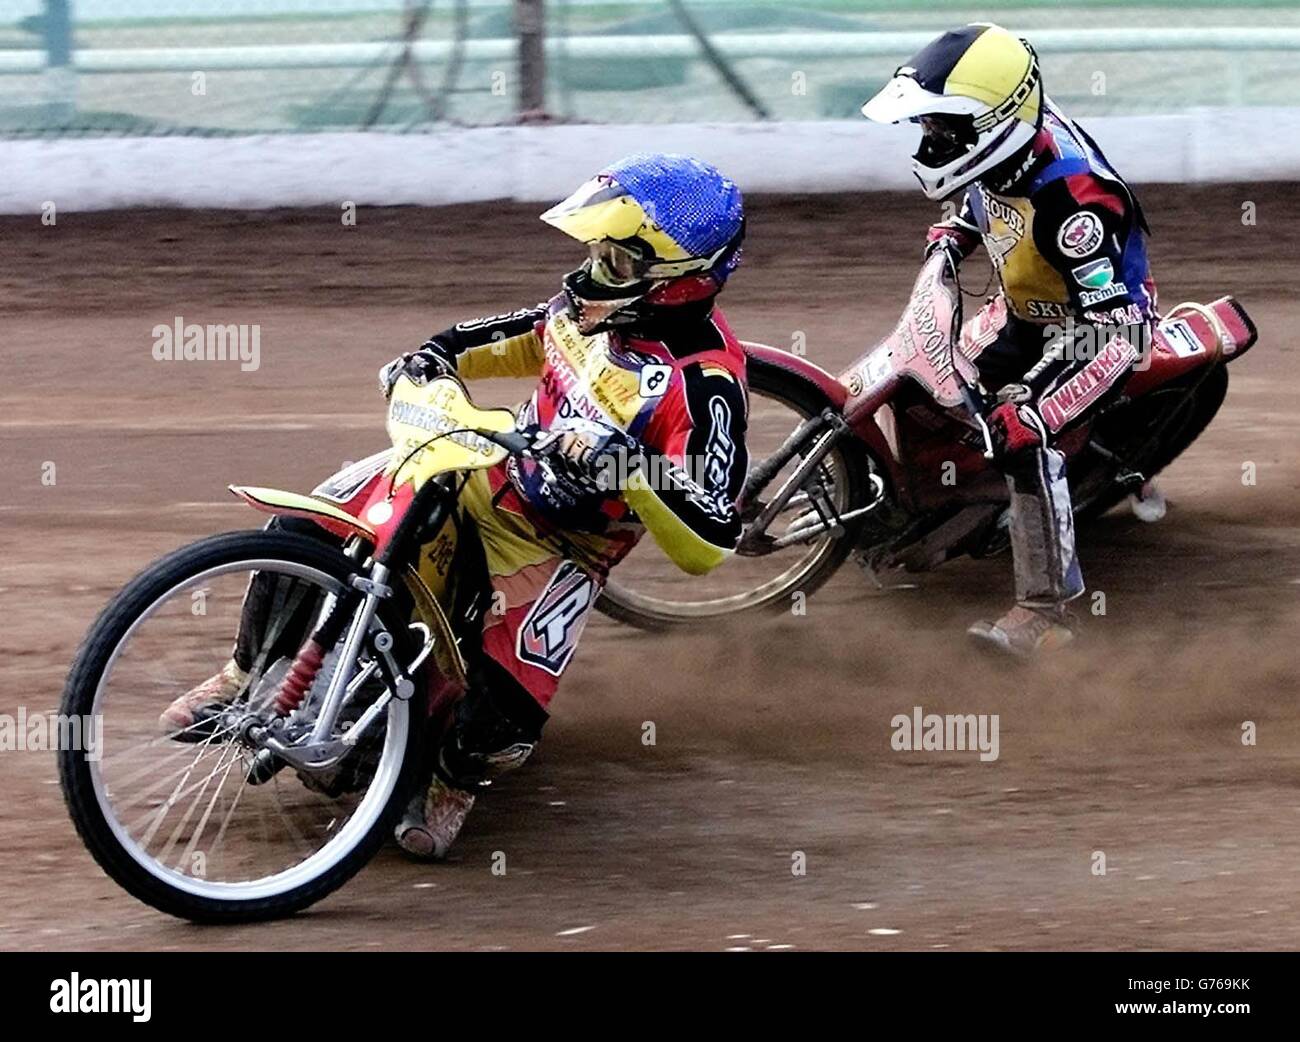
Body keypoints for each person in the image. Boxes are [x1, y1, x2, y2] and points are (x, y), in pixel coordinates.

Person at [161, 153, 750, 858]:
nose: (592, 270)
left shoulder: (706, 383)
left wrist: (627, 463)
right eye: (595, 250)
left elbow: (712, 534)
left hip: (563, 542)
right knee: (303, 523)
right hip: (484, 466)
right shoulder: (585, 310)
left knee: (508, 715)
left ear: (679, 280)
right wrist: (429, 360)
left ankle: (452, 779)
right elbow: (509, 337)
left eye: (616, 260)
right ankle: (240, 674)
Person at [861, 22, 1157, 657]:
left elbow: (1114, 327)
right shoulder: (1006, 143)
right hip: (1027, 306)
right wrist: (953, 237)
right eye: (927, 127)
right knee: (937, 381)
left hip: (1100, 328)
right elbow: (986, 191)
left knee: (1023, 436)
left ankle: (1046, 614)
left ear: (992, 123)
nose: (929, 140)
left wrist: (1036, 402)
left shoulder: (1076, 204)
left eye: (942, 128)